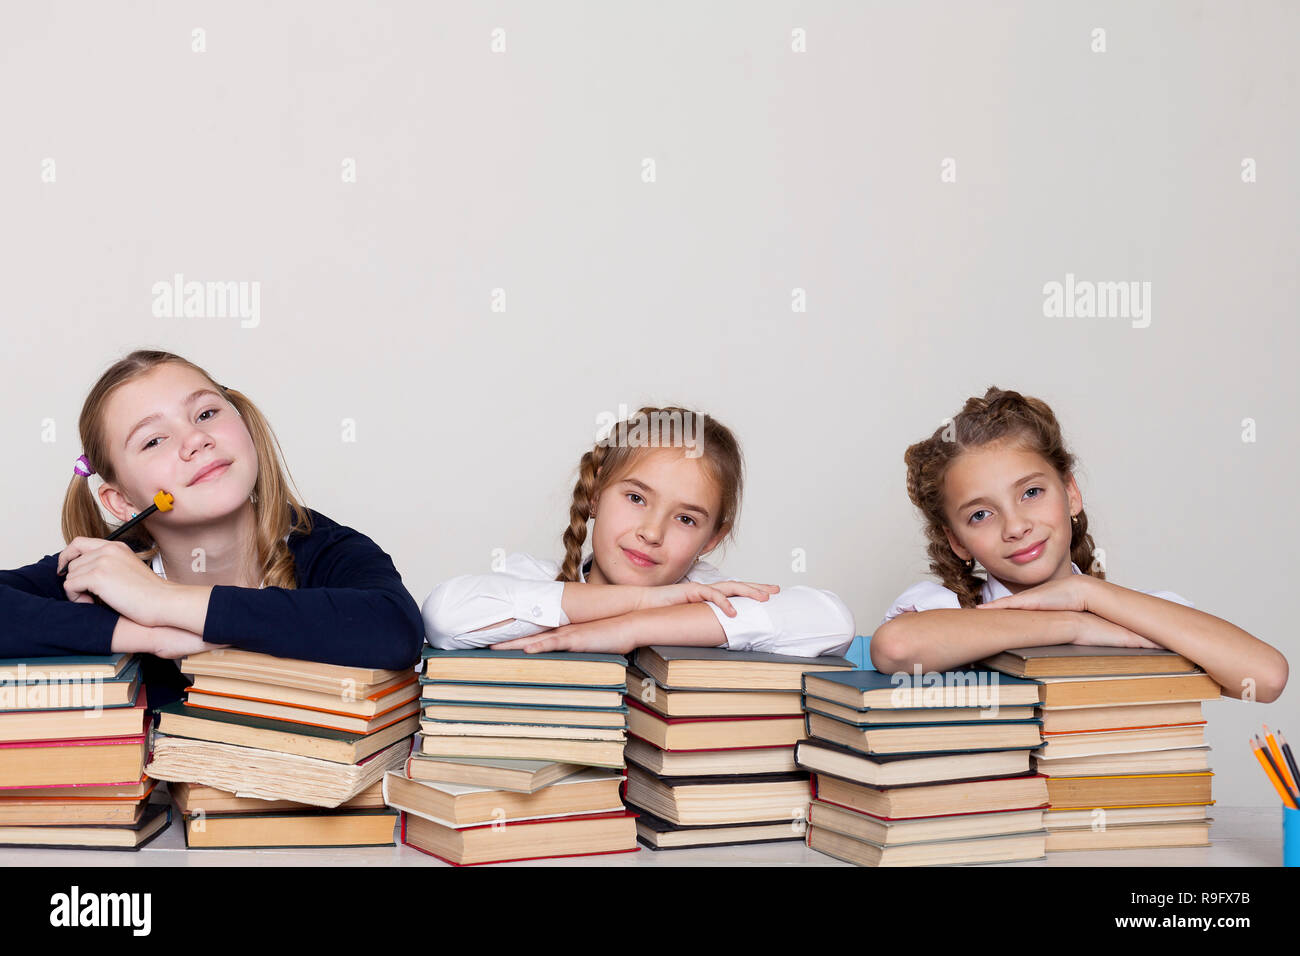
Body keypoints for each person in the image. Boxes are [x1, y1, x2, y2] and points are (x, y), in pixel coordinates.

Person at [0, 350, 424, 709]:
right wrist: (145, 633)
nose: (196, 440)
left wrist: (162, 600)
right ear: (123, 502)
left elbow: (394, 631)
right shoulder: (102, 574)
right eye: (153, 440)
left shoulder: (323, 545)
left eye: (206, 413)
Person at [869, 386, 1287, 703]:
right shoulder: (944, 612)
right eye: (981, 514)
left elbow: (1265, 678)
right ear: (957, 541)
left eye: (1031, 492)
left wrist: (1084, 593)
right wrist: (1070, 623)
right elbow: (895, 647)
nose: (1015, 526)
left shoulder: (1133, 615)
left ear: (1070, 493)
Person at [422, 405, 854, 657]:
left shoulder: (713, 599)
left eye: (686, 519)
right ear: (595, 495)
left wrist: (633, 628)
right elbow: (444, 617)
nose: (651, 532)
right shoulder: (532, 579)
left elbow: (831, 621)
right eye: (636, 498)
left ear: (711, 540)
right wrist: (642, 599)